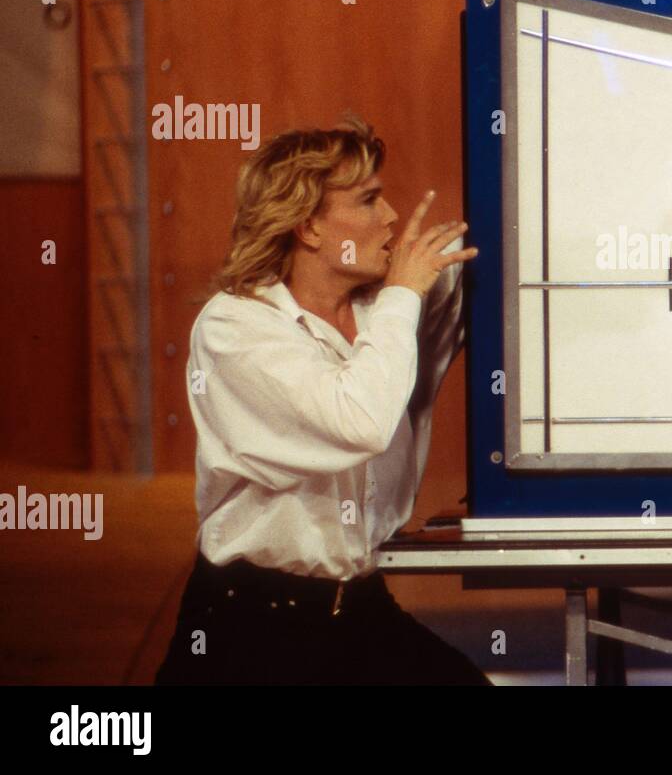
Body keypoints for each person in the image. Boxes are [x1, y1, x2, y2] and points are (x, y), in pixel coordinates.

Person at [155, 115, 490, 685]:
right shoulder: (234, 328)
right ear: (309, 227)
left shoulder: (378, 309)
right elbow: (359, 421)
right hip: (251, 630)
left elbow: (494, 245)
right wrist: (403, 294)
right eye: (368, 200)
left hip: (359, 609)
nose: (391, 216)